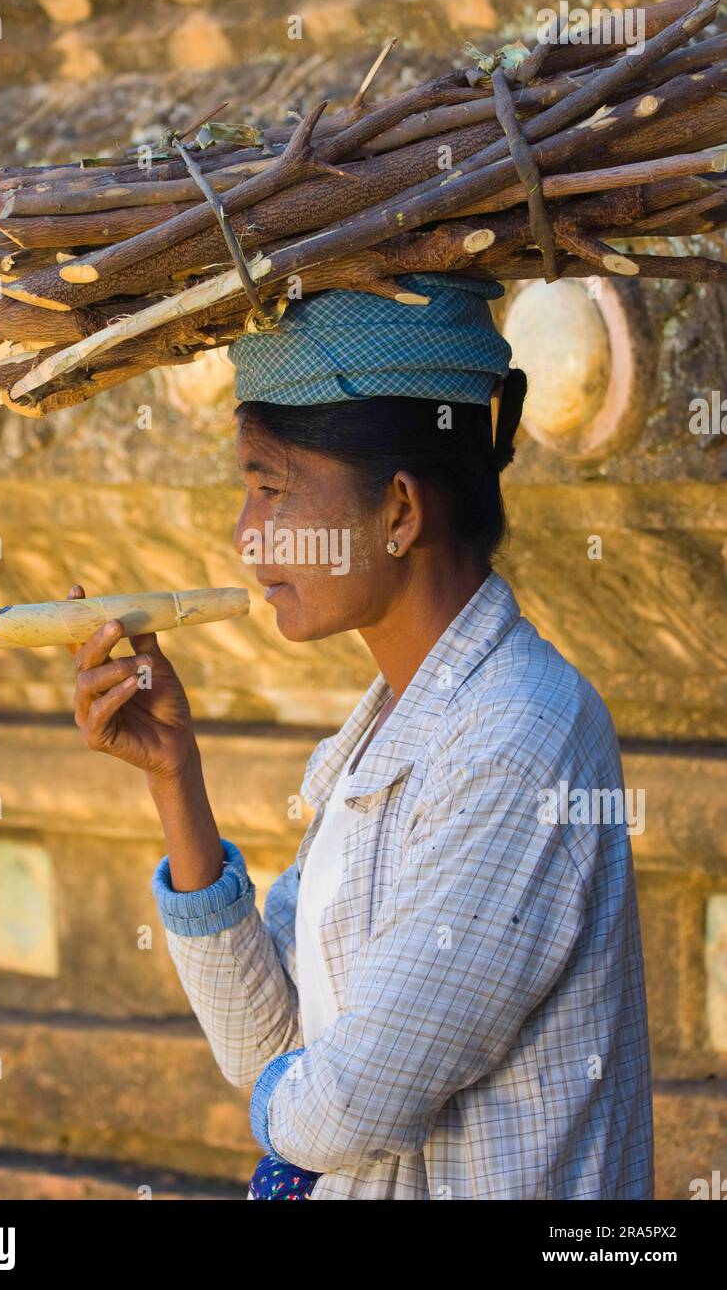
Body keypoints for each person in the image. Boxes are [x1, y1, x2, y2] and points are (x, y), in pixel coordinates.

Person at [66, 272, 654, 1200]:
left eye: (271, 491)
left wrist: (285, 1098)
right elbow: (264, 1047)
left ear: (400, 512)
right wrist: (175, 778)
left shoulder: (519, 740)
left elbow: (336, 1111)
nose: (246, 538)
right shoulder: (385, 724)